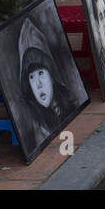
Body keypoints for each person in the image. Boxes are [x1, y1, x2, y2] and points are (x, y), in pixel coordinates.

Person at [18, 16, 72, 145]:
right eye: (31, 77)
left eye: (41, 73)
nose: (38, 84)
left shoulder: (68, 107)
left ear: (52, 76)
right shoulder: (39, 128)